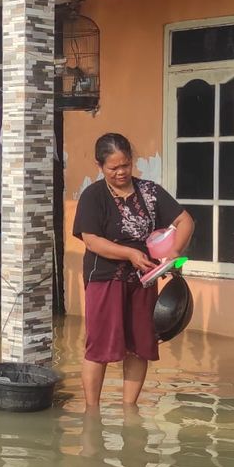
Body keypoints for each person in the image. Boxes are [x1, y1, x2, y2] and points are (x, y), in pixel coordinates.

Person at [72, 133, 194, 407]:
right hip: (104, 278)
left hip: (144, 280)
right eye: (113, 168)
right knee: (99, 347)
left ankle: (130, 408)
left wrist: (174, 254)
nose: (120, 172)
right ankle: (92, 412)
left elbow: (185, 221)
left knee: (140, 346)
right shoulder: (93, 196)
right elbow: (92, 240)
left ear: (132, 161)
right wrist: (129, 253)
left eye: (125, 165)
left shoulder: (150, 192)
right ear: (100, 166)